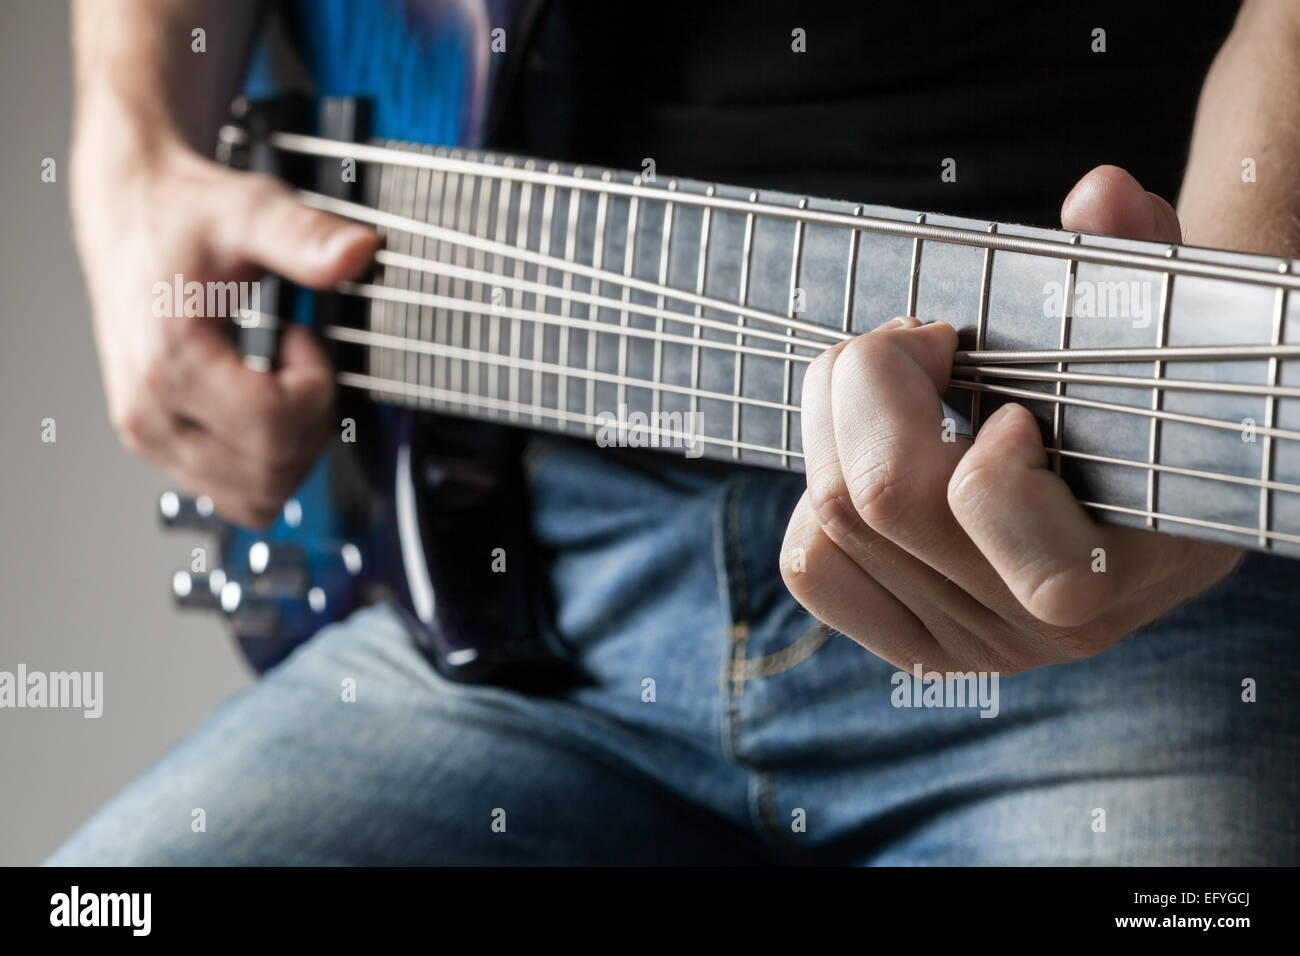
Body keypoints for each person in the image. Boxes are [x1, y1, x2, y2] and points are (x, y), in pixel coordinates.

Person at [50, 0, 1300, 864]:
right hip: (510, 590)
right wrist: (130, 143)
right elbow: (140, 121)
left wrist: (1227, 393)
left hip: (1115, 559)